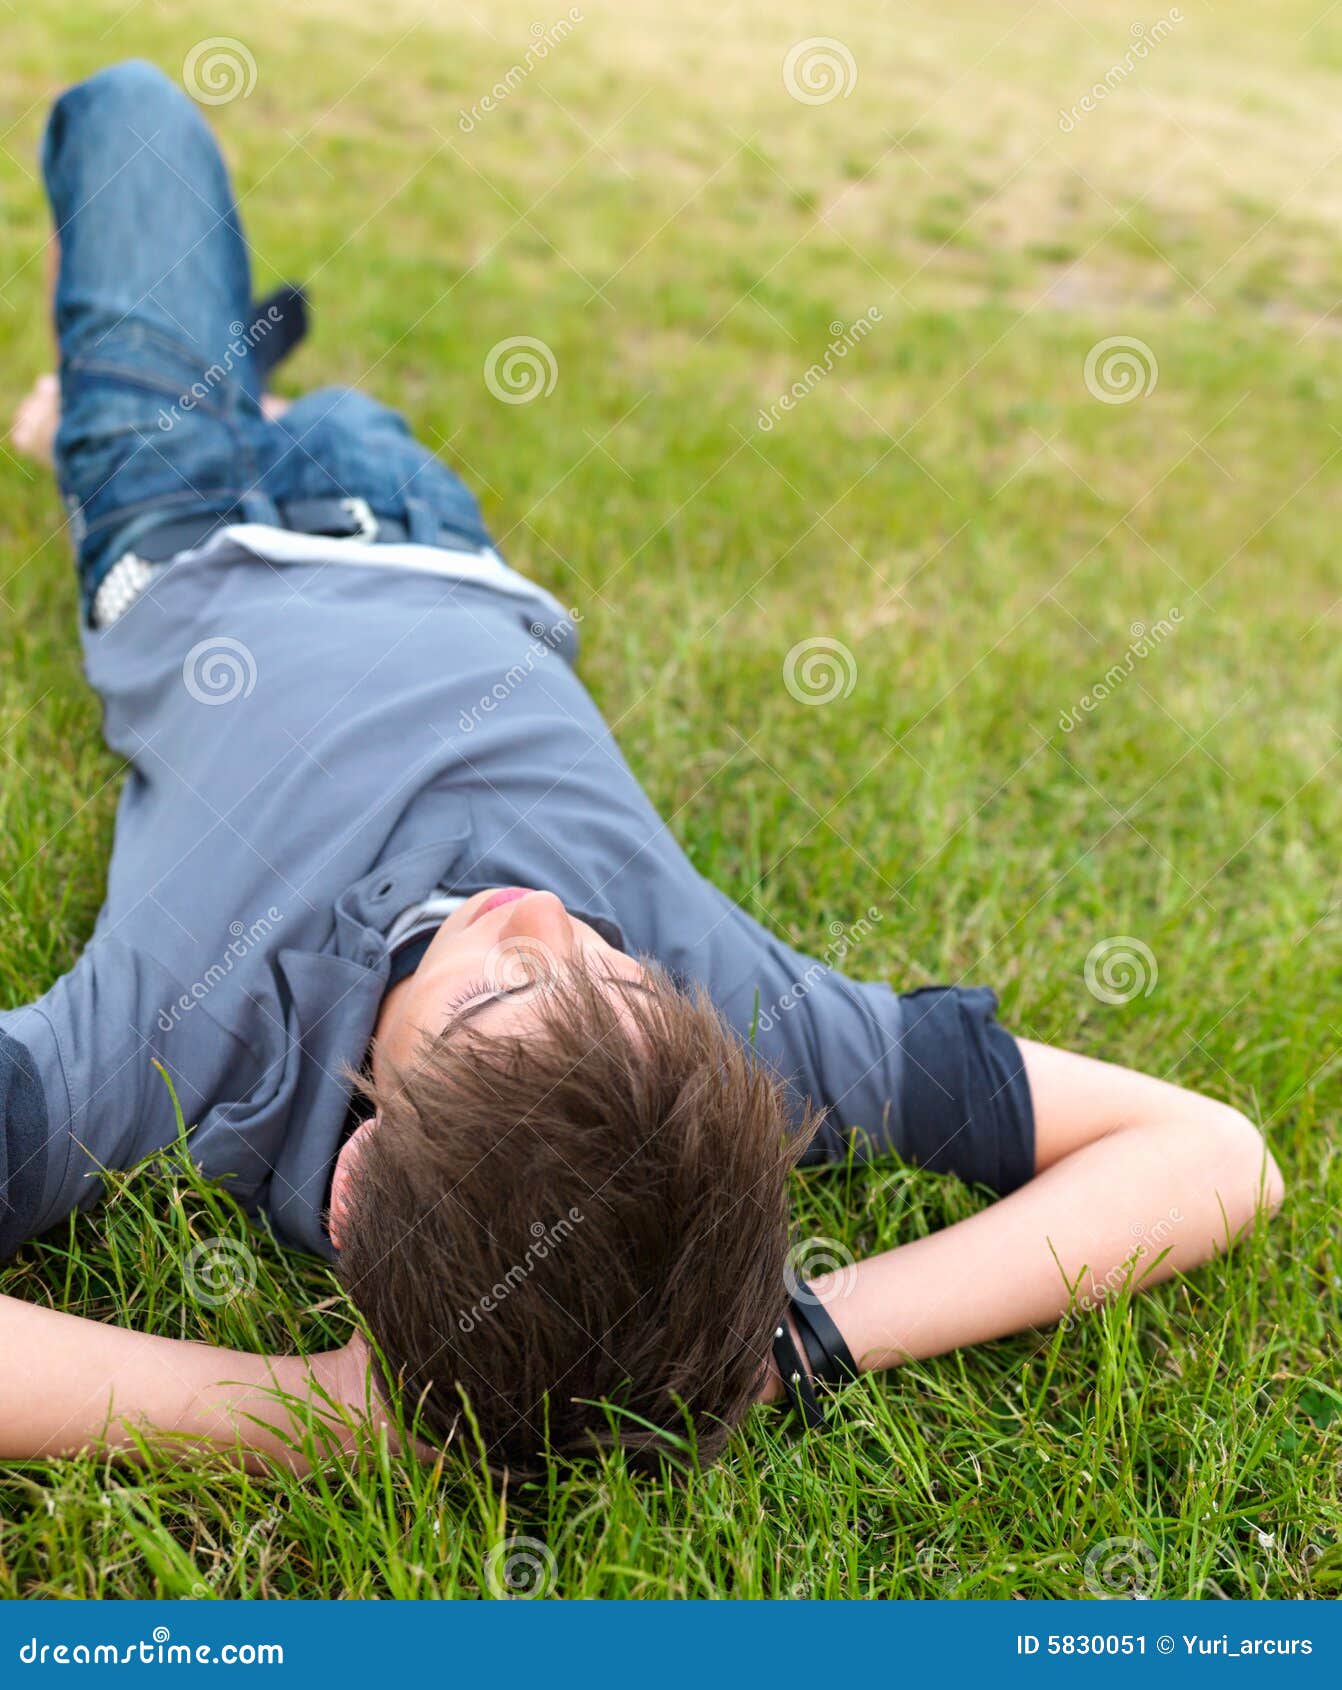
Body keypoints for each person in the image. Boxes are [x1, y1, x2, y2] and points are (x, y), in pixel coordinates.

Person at [0, 61, 1283, 1477]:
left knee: (129, 120)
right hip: (432, 538)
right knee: (347, 418)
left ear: (357, 1178)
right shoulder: (734, 1033)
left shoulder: (163, 1048)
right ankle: (250, 388)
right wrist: (802, 1336)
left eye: (496, 993)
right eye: (614, 975)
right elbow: (1217, 1150)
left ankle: (100, 415)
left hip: (183, 527)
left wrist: (315, 1418)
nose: (538, 917)